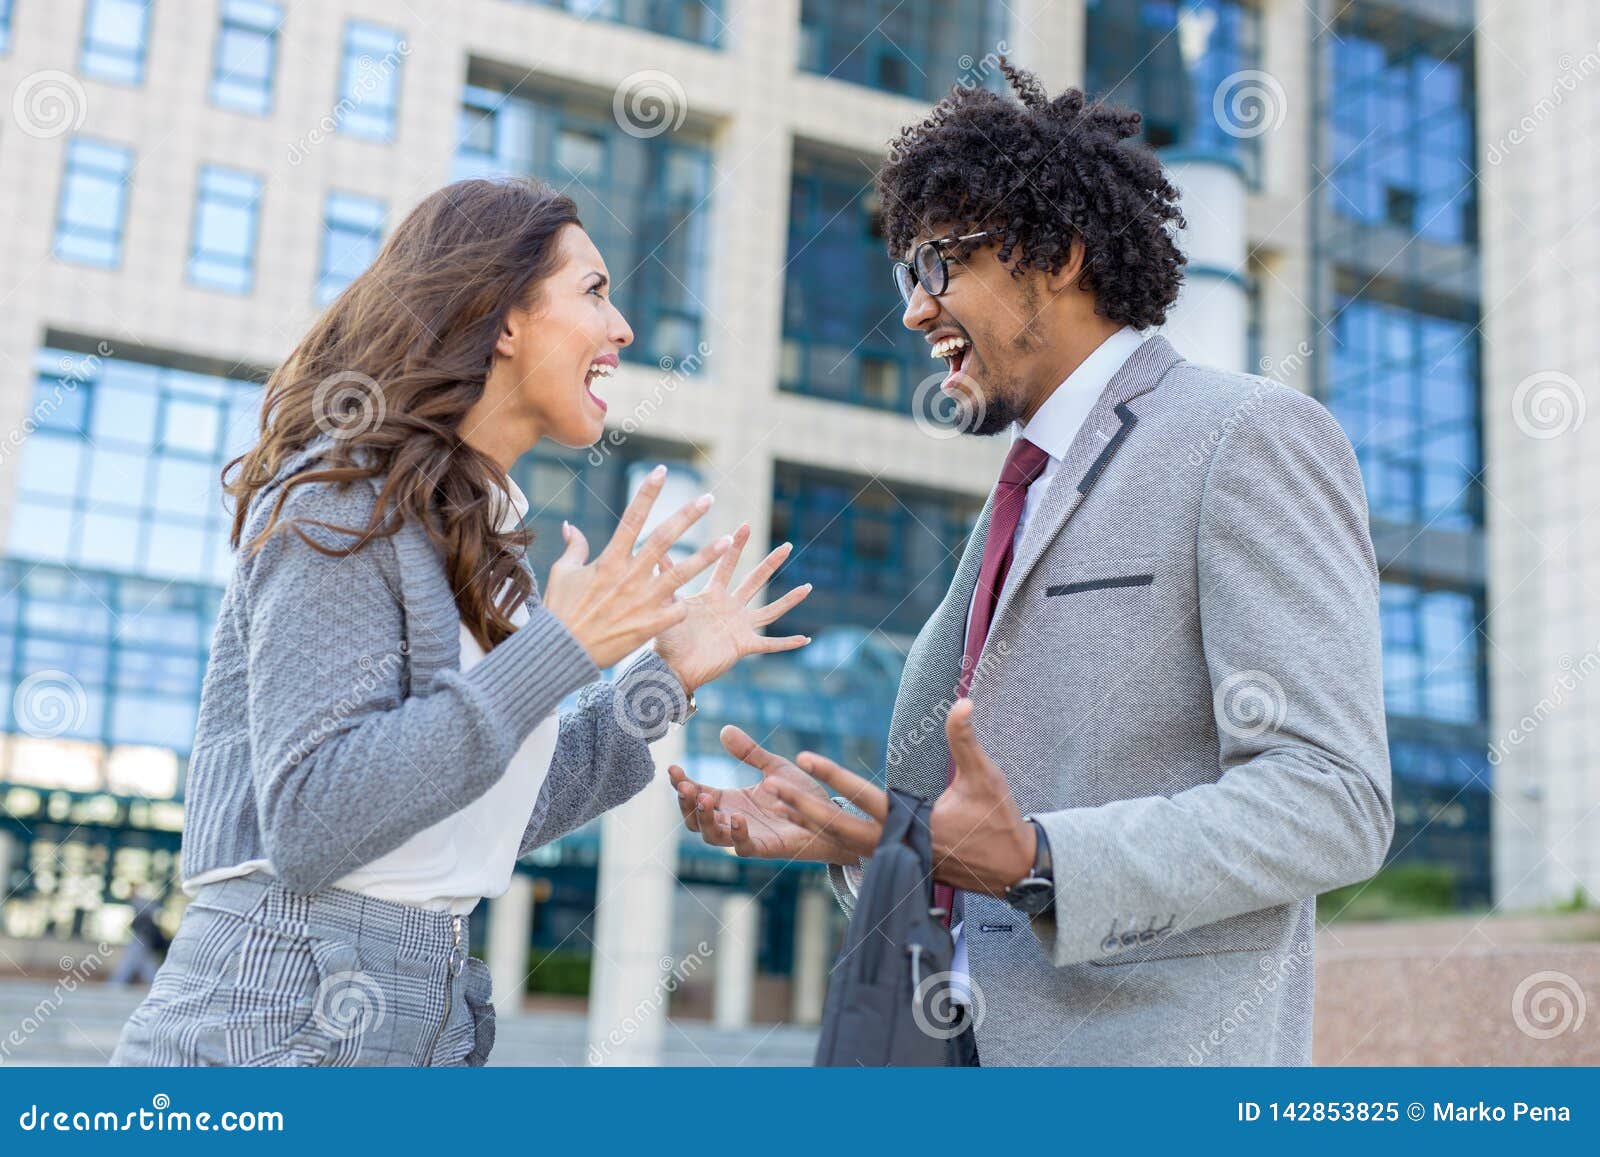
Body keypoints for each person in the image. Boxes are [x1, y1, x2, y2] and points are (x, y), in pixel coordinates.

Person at [670, 64, 1393, 1066]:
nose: (916, 312)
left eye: (937, 268)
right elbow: (981, 817)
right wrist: (874, 841)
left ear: (1054, 255)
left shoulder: (1243, 436)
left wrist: (1042, 860)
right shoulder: (1024, 488)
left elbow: (1332, 798)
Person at [111, 177, 809, 1066]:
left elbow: (480, 811)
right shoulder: (340, 502)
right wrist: (558, 651)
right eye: (594, 291)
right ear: (505, 319)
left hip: (424, 1002)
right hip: (282, 1005)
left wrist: (661, 678)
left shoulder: (481, 537)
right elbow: (313, 819)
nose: (623, 327)